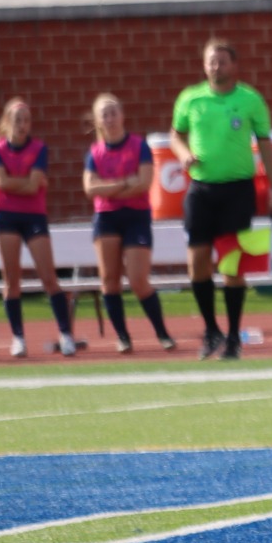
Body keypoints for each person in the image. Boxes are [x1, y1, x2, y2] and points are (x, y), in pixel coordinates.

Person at [169, 39, 272, 361]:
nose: (216, 67)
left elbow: (266, 144)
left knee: (232, 265)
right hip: (201, 190)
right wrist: (183, 154)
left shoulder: (250, 99)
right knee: (197, 261)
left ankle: (233, 338)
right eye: (211, 61)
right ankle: (210, 331)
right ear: (204, 66)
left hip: (237, 190)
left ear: (234, 65)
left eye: (222, 61)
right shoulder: (190, 98)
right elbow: (176, 135)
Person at [83, 94, 175, 354]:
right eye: (104, 114)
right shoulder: (95, 152)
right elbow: (90, 188)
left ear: (122, 115)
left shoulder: (138, 146)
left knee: (137, 279)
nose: (110, 119)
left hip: (136, 216)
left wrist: (109, 189)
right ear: (98, 121)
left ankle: (162, 332)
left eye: (113, 112)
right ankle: (123, 337)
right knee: (109, 280)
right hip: (106, 218)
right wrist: (125, 183)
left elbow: (144, 183)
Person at [0, 99, 76, 359]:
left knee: (48, 277)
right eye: (17, 120)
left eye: (26, 120)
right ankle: (18, 338)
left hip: (34, 216)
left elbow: (30, 186)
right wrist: (21, 182)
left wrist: (11, 183)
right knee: (11, 280)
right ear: (8, 122)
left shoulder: (39, 149)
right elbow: (4, 182)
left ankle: (66, 334)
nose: (22, 125)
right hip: (6, 217)